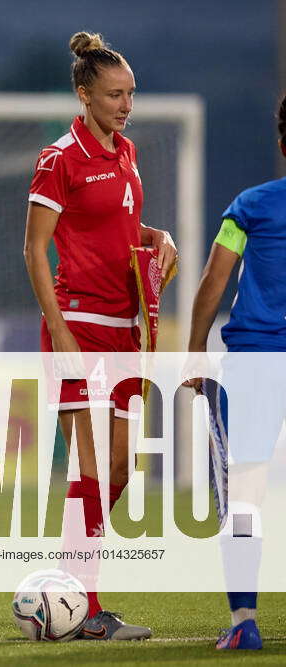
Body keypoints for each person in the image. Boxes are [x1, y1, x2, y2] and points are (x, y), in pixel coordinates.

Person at [23, 31, 177, 640]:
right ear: (84, 95)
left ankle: (66, 578)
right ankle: (85, 608)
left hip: (125, 330)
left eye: (130, 94)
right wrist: (59, 330)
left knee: (118, 468)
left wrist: (156, 238)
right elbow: (35, 250)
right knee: (88, 467)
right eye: (115, 94)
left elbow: (118, 226)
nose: (126, 105)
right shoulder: (58, 158)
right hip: (79, 325)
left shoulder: (126, 152)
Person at [183, 93, 286, 651]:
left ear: (282, 144)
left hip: (255, 365)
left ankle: (244, 622)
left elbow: (214, 281)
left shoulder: (249, 207)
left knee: (245, 493)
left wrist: (195, 349)